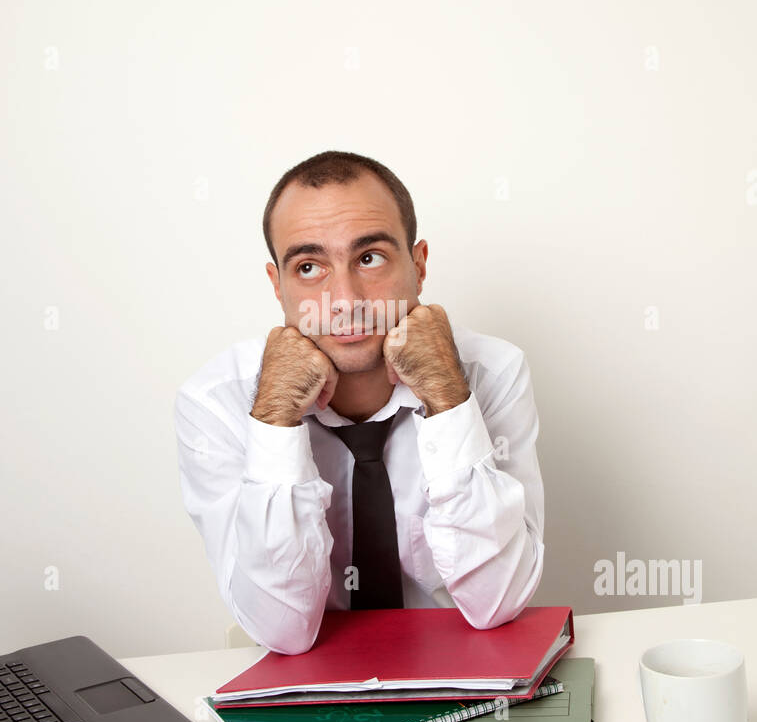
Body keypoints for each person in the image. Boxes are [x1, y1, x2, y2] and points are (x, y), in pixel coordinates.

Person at [175, 150, 544, 654]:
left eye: (369, 258)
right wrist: (276, 419)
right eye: (309, 267)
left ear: (418, 265)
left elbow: (498, 602)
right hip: (310, 692)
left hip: (466, 673)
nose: (344, 299)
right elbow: (283, 632)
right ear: (276, 284)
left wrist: (448, 398)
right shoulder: (216, 402)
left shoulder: (491, 373)